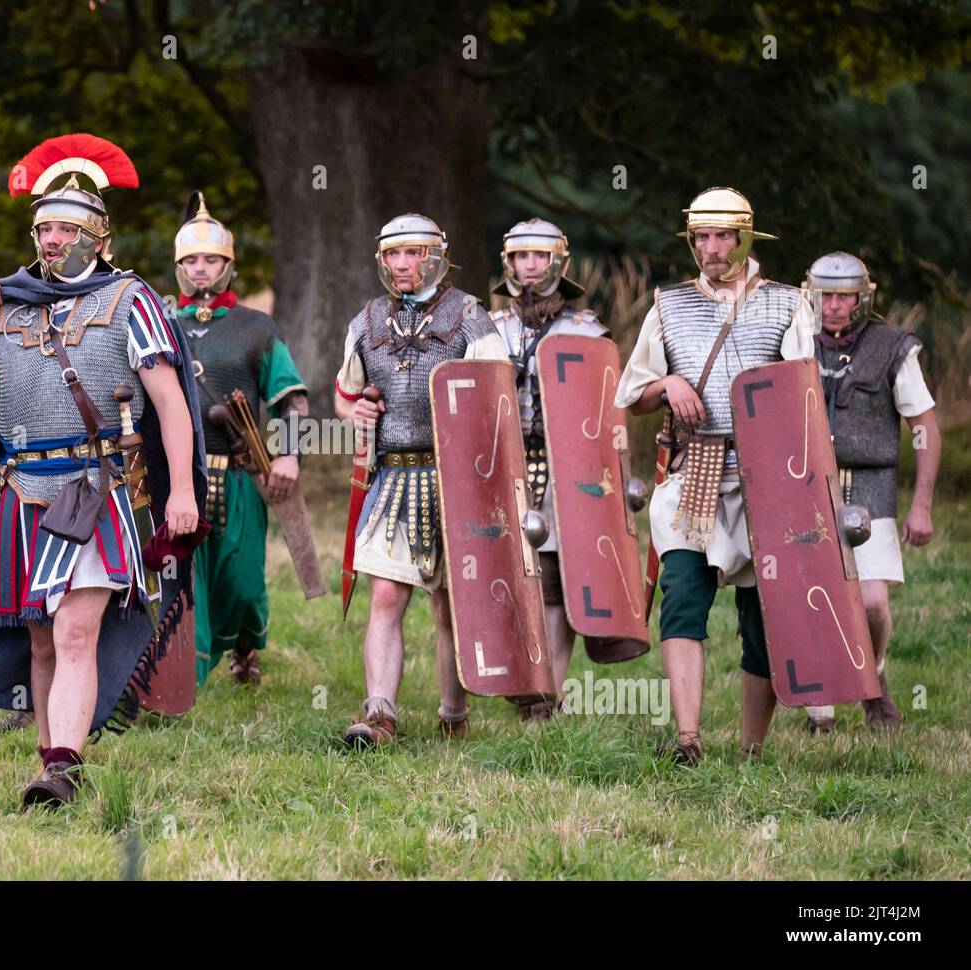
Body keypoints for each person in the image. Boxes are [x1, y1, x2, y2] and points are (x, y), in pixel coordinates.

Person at [0, 134, 206, 808]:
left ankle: (64, 765)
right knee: (40, 643)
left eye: (67, 227)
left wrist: (182, 490)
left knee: (76, 629)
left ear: (98, 236)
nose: (53, 238)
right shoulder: (8, 307)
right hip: (22, 495)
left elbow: (172, 402)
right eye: (44, 227)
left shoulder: (130, 300)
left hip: (96, 490)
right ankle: (50, 760)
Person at [614, 187, 815, 763]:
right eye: (701, 237)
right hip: (693, 470)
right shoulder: (669, 305)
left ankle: (752, 747)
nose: (711, 249)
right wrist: (668, 385)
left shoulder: (786, 303)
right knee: (681, 597)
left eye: (722, 236)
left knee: (762, 619)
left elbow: (805, 396)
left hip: (763, 479)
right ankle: (688, 740)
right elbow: (633, 394)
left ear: (746, 237)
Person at [335, 213, 509, 746]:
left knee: (450, 606)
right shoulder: (366, 321)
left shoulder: (471, 318)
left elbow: (496, 399)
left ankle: (453, 712)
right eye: (392, 254)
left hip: (457, 481)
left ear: (435, 255)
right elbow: (346, 394)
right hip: (396, 477)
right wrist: (354, 413)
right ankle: (379, 715)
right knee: (386, 596)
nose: (401, 264)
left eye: (412, 253)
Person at [799, 252, 940, 734]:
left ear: (863, 298)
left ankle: (871, 676)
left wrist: (921, 504)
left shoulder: (891, 346)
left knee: (872, 599)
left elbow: (924, 426)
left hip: (870, 486)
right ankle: (821, 708)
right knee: (813, 596)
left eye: (844, 296)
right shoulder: (792, 341)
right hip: (805, 486)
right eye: (826, 296)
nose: (835, 305)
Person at [172, 192, 309, 686]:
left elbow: (292, 400)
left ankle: (246, 646)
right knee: (190, 581)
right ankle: (190, 673)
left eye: (211, 259)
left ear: (227, 264)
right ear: (179, 267)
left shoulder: (257, 328)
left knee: (246, 583)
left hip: (241, 475)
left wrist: (289, 455)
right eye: (191, 260)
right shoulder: (161, 326)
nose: (201, 269)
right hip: (183, 475)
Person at [488, 217, 612, 721]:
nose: (530, 266)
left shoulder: (586, 331)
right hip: (505, 467)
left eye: (540, 256)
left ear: (557, 262)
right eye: (521, 257)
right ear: (509, 264)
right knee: (511, 577)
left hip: (565, 473)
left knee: (557, 582)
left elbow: (602, 411)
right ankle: (520, 675)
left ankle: (549, 691)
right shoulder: (489, 329)